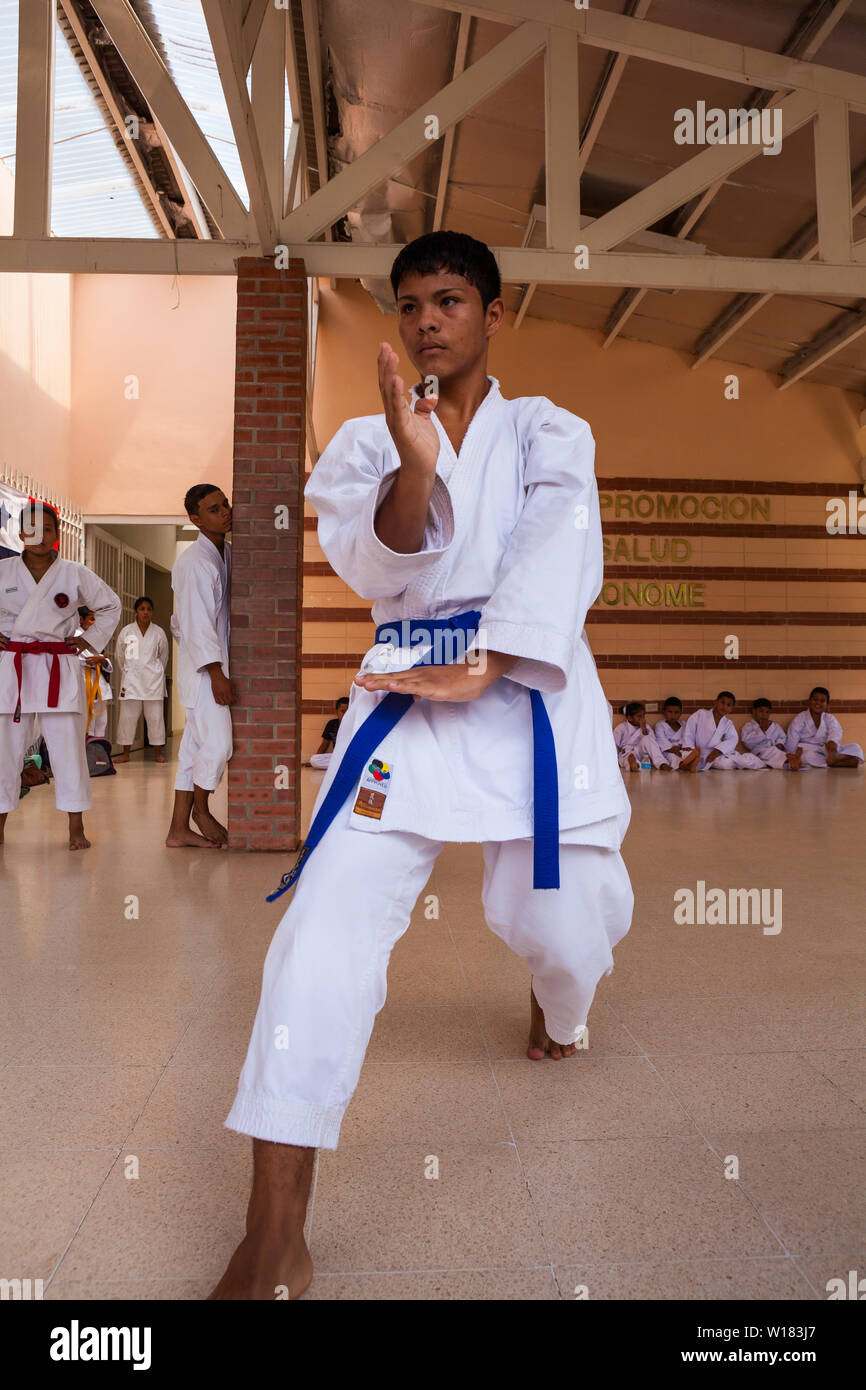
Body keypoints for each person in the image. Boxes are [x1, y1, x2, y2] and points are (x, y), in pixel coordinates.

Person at [211, 230, 634, 1300]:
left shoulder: (550, 430)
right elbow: (371, 557)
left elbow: (557, 538)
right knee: (321, 932)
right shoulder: (366, 439)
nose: (426, 320)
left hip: (525, 683)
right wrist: (413, 463)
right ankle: (275, 1235)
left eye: (448, 299)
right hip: (406, 691)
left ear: (495, 314)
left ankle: (557, 1001)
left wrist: (494, 649)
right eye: (409, 305)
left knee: (556, 922)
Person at [0, 501, 121, 848]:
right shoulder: (5, 571)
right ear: (21, 532)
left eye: (48, 529)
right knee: (3, 749)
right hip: (15, 665)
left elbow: (110, 604)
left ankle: (75, 826)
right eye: (33, 528)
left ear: (56, 535)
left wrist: (88, 639)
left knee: (68, 746)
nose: (40, 535)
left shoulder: (74, 573)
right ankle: (0, 821)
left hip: (58, 665)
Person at [165, 486, 235, 848]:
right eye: (213, 509)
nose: (225, 511)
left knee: (193, 749)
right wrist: (216, 673)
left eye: (225, 504)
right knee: (219, 743)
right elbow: (195, 624)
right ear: (195, 519)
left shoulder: (224, 552)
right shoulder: (195, 562)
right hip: (204, 672)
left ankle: (177, 830)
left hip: (209, 667)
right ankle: (201, 811)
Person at [115, 597, 169, 763]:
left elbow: (164, 656)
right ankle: (125, 753)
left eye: (148, 609)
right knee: (127, 718)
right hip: (131, 681)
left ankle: (158, 753)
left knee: (155, 718)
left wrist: (155, 671)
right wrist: (129, 671)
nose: (145, 612)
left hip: (153, 681)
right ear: (136, 611)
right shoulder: (127, 631)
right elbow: (119, 656)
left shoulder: (159, 632)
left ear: (151, 612)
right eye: (142, 609)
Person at [680, 691, 766, 772]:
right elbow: (689, 731)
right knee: (686, 754)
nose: (724, 707)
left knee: (726, 764)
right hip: (697, 751)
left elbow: (732, 739)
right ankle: (690, 761)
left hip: (715, 755)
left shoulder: (728, 723)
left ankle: (689, 764)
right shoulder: (700, 714)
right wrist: (689, 746)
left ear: (731, 709)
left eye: (728, 705)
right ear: (716, 702)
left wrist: (717, 751)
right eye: (722, 702)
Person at [785, 687, 864, 769]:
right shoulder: (800, 718)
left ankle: (834, 760)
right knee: (807, 757)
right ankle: (837, 762)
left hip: (827, 751)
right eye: (815, 699)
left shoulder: (829, 718)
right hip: (807, 750)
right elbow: (792, 738)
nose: (818, 703)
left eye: (822, 701)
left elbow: (835, 731)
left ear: (827, 704)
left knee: (856, 747)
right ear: (810, 701)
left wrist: (832, 742)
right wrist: (793, 755)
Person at [76, 606, 114, 738]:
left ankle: (97, 755)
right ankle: (87, 757)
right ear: (81, 619)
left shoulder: (95, 637)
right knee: (87, 726)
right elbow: (86, 658)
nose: (94, 623)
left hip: (100, 684)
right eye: (92, 619)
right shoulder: (75, 635)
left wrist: (102, 660)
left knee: (101, 724)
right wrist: (101, 659)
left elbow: (107, 663)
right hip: (84, 683)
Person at [740, 697, 801, 770]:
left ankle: (790, 762)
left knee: (773, 753)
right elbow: (746, 742)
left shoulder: (775, 725)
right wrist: (761, 730)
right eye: (761, 711)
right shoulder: (749, 726)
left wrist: (780, 744)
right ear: (753, 711)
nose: (764, 715)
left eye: (767, 712)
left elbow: (782, 737)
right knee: (749, 758)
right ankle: (788, 760)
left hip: (774, 750)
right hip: (759, 752)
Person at [613, 701, 672, 771]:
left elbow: (652, 744)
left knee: (647, 738)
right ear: (629, 718)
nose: (642, 719)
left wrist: (643, 729)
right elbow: (614, 744)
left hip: (641, 752)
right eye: (639, 716)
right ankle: (634, 764)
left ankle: (661, 763)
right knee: (627, 759)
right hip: (627, 752)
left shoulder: (646, 727)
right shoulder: (621, 728)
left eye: (643, 716)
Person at [652, 696, 698, 772]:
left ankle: (691, 761)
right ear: (664, 711)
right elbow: (662, 741)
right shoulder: (660, 725)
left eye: (676, 712)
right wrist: (673, 749)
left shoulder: (683, 724)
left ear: (681, 713)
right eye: (670, 712)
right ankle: (685, 766)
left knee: (688, 753)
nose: (673, 715)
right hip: (668, 751)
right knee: (673, 757)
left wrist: (685, 748)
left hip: (681, 750)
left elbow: (687, 739)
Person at [308, 695, 349, 770]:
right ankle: (342, 767)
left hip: (349, 757)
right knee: (314, 760)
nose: (345, 714)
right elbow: (324, 744)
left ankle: (342, 767)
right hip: (335, 757)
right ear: (336, 712)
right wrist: (317, 758)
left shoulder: (354, 725)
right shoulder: (331, 724)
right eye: (342, 711)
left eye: (348, 711)